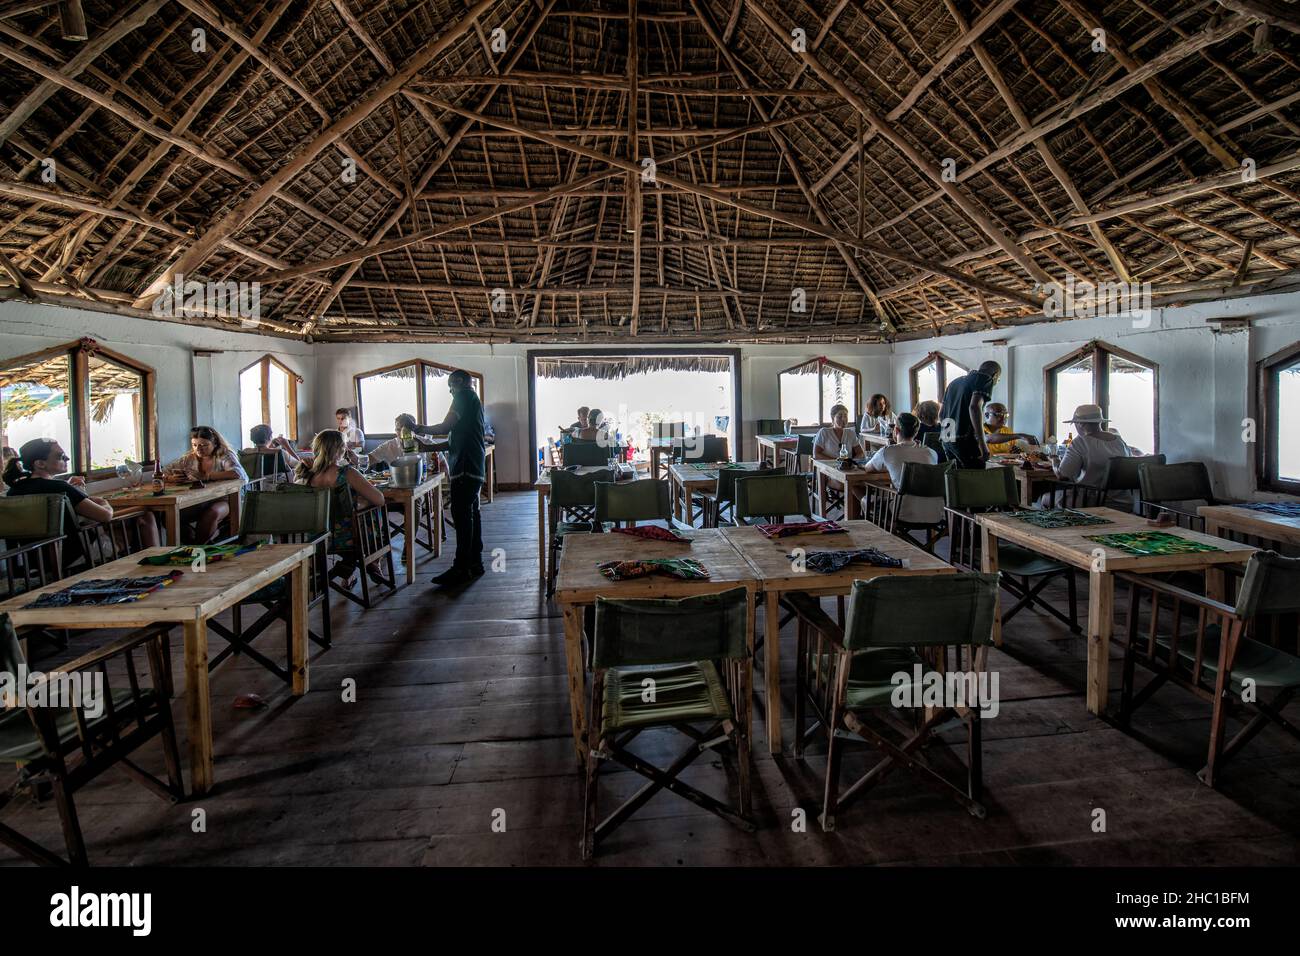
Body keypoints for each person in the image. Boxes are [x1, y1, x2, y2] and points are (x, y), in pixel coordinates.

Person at [3, 438, 160, 565]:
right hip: (73, 555)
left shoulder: (13, 491)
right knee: (144, 516)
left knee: (117, 525)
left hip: (31, 557)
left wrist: (73, 489)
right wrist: (103, 501)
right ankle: (156, 568)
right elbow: (105, 516)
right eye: (60, 456)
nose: (67, 459)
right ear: (40, 463)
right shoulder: (59, 488)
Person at [405, 370, 486, 586]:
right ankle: (475, 563)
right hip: (473, 465)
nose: (450, 390)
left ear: (459, 382)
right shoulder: (472, 401)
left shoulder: (464, 397)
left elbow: (444, 427)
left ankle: (461, 568)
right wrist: (428, 446)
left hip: (465, 467)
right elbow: (453, 440)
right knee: (471, 514)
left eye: (451, 385)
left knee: (462, 515)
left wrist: (416, 427)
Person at [294, 429, 385, 585]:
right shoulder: (347, 473)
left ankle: (349, 569)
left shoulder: (307, 475)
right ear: (341, 449)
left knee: (357, 524)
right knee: (374, 515)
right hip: (348, 537)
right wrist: (361, 503)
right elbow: (380, 499)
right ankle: (370, 562)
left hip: (317, 536)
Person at [165, 426, 248, 543]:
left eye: (204, 445)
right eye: (194, 445)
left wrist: (207, 476)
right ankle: (193, 545)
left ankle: (200, 547)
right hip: (201, 500)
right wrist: (171, 478)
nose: (199, 449)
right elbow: (162, 473)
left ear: (214, 443)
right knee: (168, 516)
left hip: (228, 499)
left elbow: (239, 474)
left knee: (211, 513)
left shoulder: (224, 455)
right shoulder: (189, 459)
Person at [862, 413, 943, 524]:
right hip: (936, 512)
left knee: (865, 500)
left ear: (896, 430)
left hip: (903, 512)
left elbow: (868, 468)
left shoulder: (887, 452)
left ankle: (883, 536)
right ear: (916, 432)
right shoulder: (931, 453)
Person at [1048, 404, 1133, 506]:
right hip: (1123, 503)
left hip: (1091, 502)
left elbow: (1063, 476)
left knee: (1043, 499)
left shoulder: (1080, 442)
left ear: (1080, 424)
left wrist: (1054, 460)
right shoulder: (1119, 441)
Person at [940, 360, 1001, 468]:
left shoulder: (954, 383)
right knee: (974, 479)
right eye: (998, 379)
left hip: (946, 438)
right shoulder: (985, 378)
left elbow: (941, 414)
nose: (996, 382)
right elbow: (974, 407)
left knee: (956, 479)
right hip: (965, 439)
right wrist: (982, 444)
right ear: (995, 375)